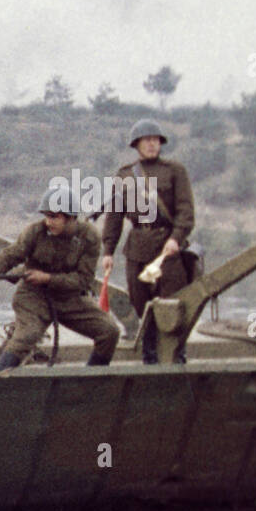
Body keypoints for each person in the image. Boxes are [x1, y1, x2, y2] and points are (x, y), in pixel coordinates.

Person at [0, 187, 120, 371]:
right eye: (47, 216)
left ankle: (92, 380)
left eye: (54, 217)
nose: (48, 222)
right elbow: (11, 254)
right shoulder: (35, 231)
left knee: (109, 331)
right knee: (27, 335)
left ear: (70, 217)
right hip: (33, 296)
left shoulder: (89, 237)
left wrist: (48, 278)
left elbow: (83, 281)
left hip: (69, 298)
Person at [100, 118, 195, 363]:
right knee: (141, 303)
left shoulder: (175, 171)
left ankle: (176, 356)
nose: (152, 145)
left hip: (167, 246)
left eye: (156, 140)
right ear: (137, 144)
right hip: (137, 247)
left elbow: (186, 212)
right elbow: (114, 216)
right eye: (146, 140)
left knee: (173, 303)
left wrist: (176, 239)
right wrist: (108, 250)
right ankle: (149, 356)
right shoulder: (124, 175)